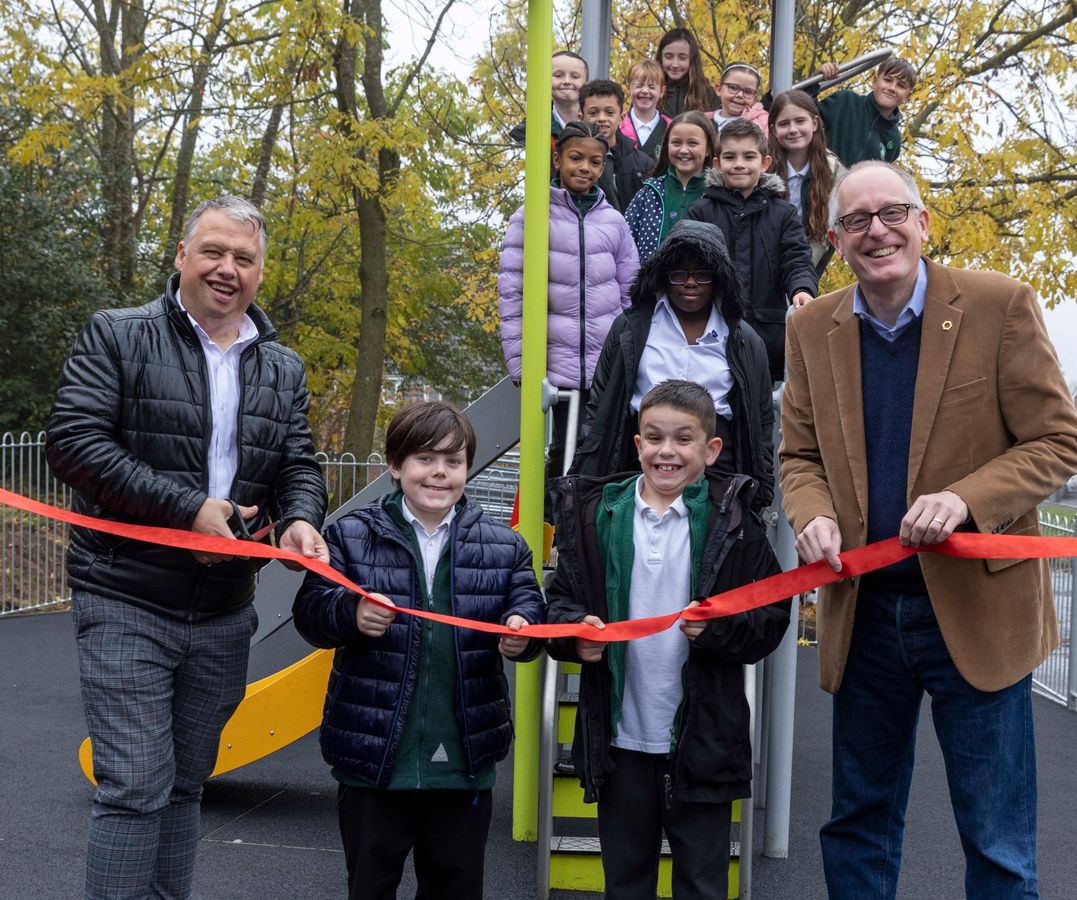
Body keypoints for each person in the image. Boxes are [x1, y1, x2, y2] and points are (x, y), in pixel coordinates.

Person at [778, 161, 1077, 899]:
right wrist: (811, 511)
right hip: (865, 615)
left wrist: (966, 499)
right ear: (835, 239)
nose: (877, 231)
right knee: (857, 824)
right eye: (857, 221)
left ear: (924, 221)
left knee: (996, 841)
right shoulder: (809, 329)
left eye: (893, 213)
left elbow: (1058, 442)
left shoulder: (999, 305)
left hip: (979, 613)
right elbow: (798, 455)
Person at [45, 195, 330, 899]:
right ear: (181, 257)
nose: (227, 269)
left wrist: (299, 516)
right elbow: (73, 444)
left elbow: (297, 461)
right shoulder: (118, 334)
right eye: (213, 251)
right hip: (125, 594)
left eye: (244, 258)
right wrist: (188, 511)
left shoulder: (282, 367)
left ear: (260, 272)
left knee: (183, 786)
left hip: (226, 609)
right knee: (135, 785)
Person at [546, 378, 788, 900]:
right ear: (637, 444)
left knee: (701, 884)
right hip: (620, 742)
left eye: (683, 439)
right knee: (625, 882)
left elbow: (771, 615)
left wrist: (719, 631)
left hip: (703, 741)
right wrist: (574, 640)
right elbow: (561, 600)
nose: (667, 451)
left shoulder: (738, 523)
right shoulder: (597, 515)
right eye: (654, 438)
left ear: (711, 448)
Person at [293, 400, 544, 899]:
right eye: (425, 458)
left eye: (454, 461)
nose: (440, 473)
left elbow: (528, 605)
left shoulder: (504, 545)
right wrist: (351, 614)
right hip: (373, 758)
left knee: (455, 888)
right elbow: (312, 613)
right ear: (395, 465)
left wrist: (523, 630)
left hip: (464, 761)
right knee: (370, 886)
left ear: (468, 469)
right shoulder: (349, 535)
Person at [572, 220, 775, 514]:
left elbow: (762, 421)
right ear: (663, 276)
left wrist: (760, 487)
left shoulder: (744, 339)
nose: (690, 283)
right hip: (639, 463)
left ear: (719, 277)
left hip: (718, 471)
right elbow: (600, 405)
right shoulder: (631, 329)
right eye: (679, 274)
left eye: (702, 274)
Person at [499, 120, 640, 483]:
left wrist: (628, 351)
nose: (585, 168)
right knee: (561, 450)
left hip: (604, 363)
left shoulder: (614, 222)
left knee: (602, 450)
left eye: (595, 162)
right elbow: (513, 290)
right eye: (576, 158)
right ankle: (553, 527)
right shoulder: (532, 215)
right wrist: (519, 362)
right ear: (557, 158)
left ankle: (589, 529)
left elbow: (631, 290)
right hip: (555, 363)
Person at [686, 117, 816, 382]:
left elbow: (797, 259)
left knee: (763, 413)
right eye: (731, 157)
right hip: (712, 334)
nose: (740, 165)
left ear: (765, 163)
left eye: (749, 156)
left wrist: (802, 289)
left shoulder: (783, 214)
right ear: (718, 164)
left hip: (767, 337)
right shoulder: (700, 212)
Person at [768, 89, 846, 280]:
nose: (793, 129)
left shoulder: (833, 170)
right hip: (765, 261)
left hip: (807, 263)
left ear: (814, 123)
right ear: (773, 130)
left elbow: (826, 232)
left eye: (800, 121)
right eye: (784, 124)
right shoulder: (764, 168)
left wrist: (803, 272)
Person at [623, 110, 719, 261]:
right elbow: (624, 243)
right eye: (676, 143)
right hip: (653, 283)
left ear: (708, 149)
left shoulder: (718, 195)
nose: (683, 150)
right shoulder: (648, 193)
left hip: (701, 282)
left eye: (693, 143)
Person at [806, 56, 917, 165]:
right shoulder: (844, 101)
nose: (892, 88)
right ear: (875, 81)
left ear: (907, 96)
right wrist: (813, 82)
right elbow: (804, 117)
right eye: (888, 80)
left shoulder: (894, 140)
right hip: (819, 179)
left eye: (901, 86)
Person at [579, 79, 655, 213]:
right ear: (581, 117)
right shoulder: (574, 160)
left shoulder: (643, 164)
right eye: (593, 113)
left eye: (609, 112)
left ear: (622, 116)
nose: (601, 118)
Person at [509, 49, 589, 145]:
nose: (567, 81)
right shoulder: (530, 130)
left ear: (586, 84)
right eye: (558, 75)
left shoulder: (601, 126)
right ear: (546, 81)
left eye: (575, 76)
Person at [657, 27, 719, 118]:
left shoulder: (706, 93)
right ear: (660, 57)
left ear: (692, 59)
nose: (675, 64)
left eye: (682, 58)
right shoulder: (649, 92)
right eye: (669, 57)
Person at [619, 59, 671, 159]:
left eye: (652, 87)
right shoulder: (617, 126)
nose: (645, 91)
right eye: (639, 86)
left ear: (662, 91)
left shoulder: (671, 128)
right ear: (629, 88)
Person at [706, 63, 769, 134]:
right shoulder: (703, 122)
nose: (740, 95)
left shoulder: (762, 125)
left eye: (748, 92)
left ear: (754, 98)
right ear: (719, 89)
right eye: (733, 87)